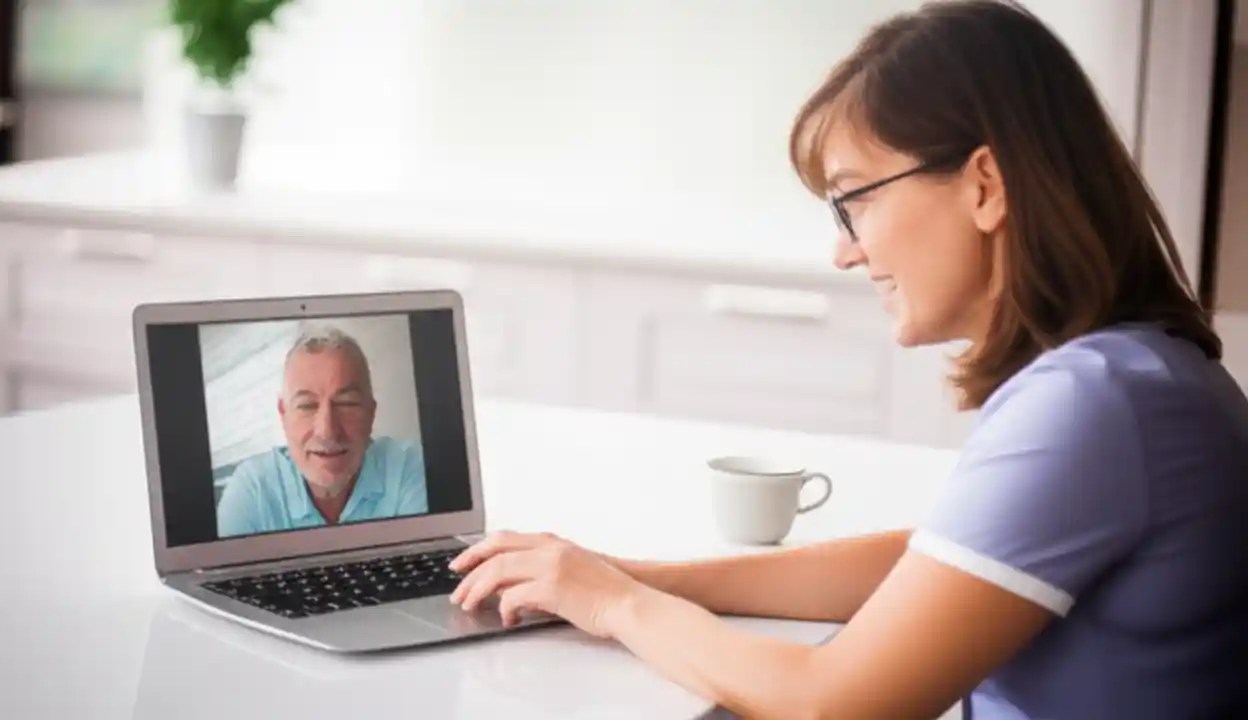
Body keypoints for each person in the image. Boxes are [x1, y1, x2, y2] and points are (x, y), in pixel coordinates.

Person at [445, 2, 1248, 718]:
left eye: (855, 197)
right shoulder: (1137, 376)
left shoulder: (1093, 402)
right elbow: (938, 561)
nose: (844, 251)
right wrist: (645, 577)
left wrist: (616, 604)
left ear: (985, 185)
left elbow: (836, 705)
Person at [217, 325, 428, 537]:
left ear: (371, 412)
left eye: (346, 403)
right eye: (307, 406)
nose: (327, 431)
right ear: (283, 414)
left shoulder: (410, 467)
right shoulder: (252, 490)